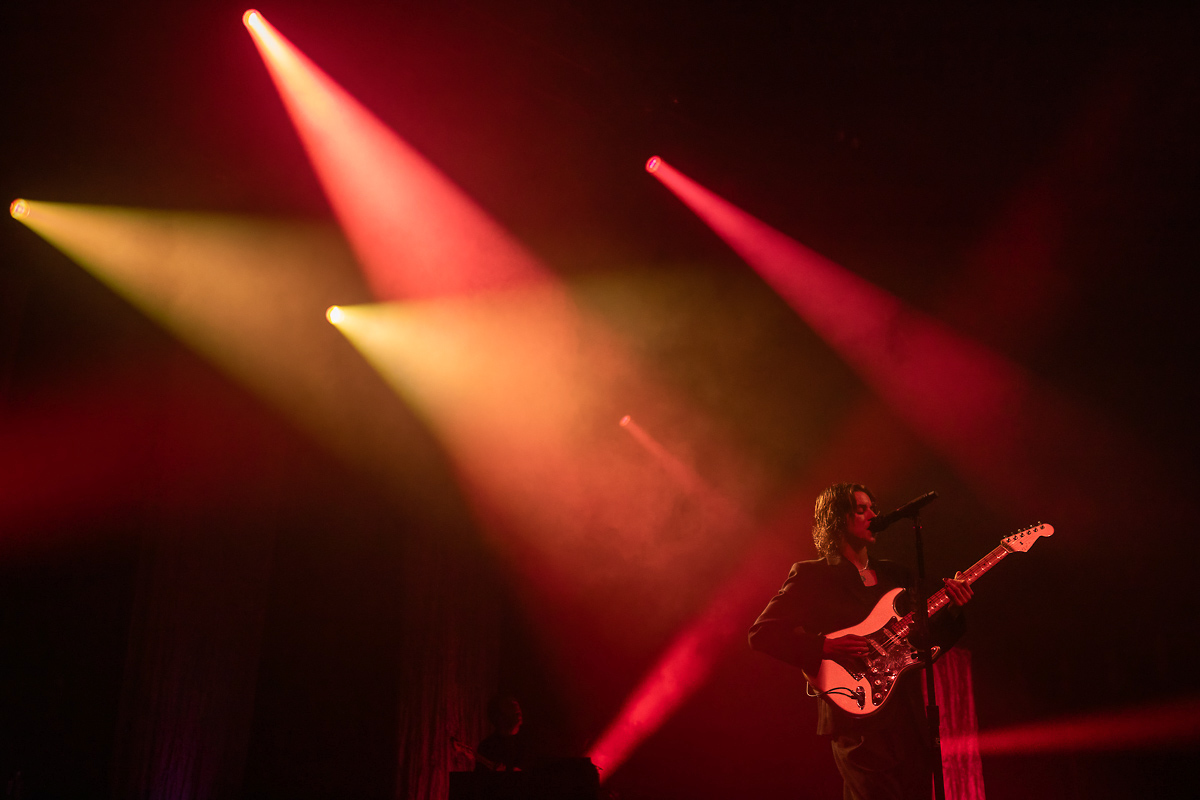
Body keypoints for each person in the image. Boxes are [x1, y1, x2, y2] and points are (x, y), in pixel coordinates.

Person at [749, 482, 973, 800]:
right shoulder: (812, 576)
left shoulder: (898, 575)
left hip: (907, 721)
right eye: (861, 508)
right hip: (856, 721)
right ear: (837, 518)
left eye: (873, 508)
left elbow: (923, 646)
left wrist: (951, 610)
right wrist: (823, 645)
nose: (873, 514)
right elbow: (763, 633)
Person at [475, 696, 527, 772]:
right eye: (509, 706)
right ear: (499, 717)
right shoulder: (487, 747)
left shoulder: (527, 743)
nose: (516, 705)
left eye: (515, 703)